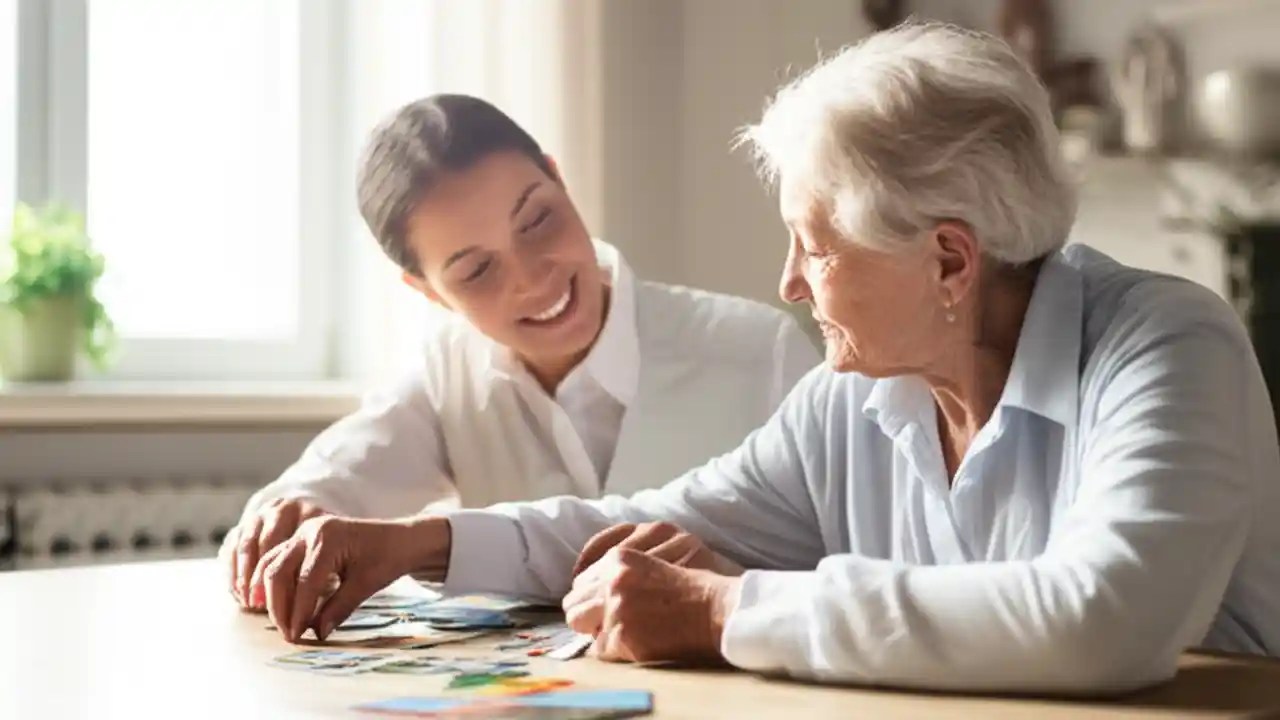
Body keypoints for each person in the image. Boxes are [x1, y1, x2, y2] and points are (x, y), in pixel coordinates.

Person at [246, 25, 1280, 695]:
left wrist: (720, 608)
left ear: (948, 260)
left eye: (813, 246)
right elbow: (644, 523)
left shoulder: (1165, 344)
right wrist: (413, 547)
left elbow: (1100, 620)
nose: (786, 282)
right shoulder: (852, 397)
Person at [221, 94, 818, 610]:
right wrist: (285, 519)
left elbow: (851, 565)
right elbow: (319, 488)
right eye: (477, 270)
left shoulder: (759, 353)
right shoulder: (446, 375)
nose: (532, 279)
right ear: (430, 292)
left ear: (559, 180)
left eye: (537, 221)